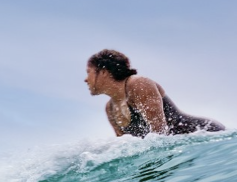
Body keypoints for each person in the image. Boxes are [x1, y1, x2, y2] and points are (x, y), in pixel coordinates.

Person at [85, 49, 225, 138]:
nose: (86, 79)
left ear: (103, 72)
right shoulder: (110, 109)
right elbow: (127, 147)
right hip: (181, 152)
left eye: (88, 73)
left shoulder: (138, 84)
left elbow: (159, 134)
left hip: (208, 136)